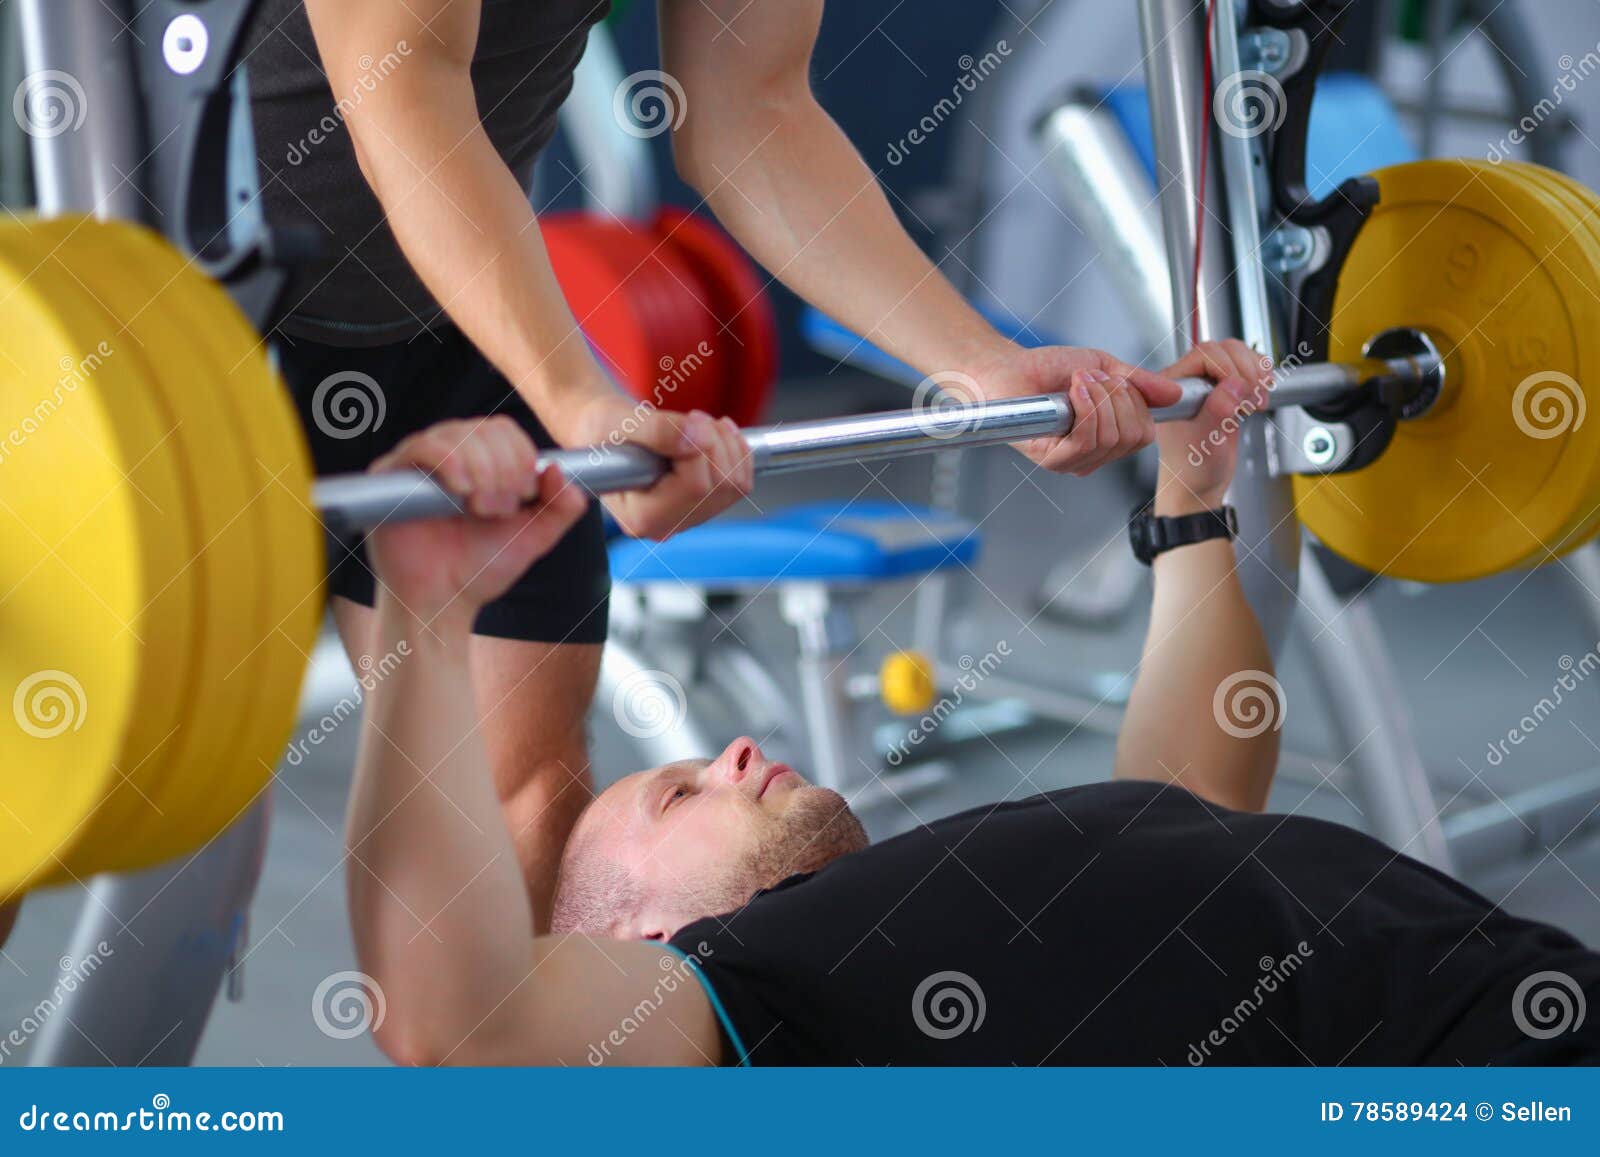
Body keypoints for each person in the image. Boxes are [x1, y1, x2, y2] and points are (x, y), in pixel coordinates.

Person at [341, 340, 1600, 1066]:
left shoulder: (931, 935)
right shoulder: (760, 1000)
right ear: (633, 955)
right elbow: (459, 1023)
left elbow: (1192, 792)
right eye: (674, 792)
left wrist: (1193, 486)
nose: (728, 747)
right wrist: (428, 613)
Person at [243, 0, 1181, 927]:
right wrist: (576, 398)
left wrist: (976, 363)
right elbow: (403, 94)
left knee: (519, 840)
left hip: (444, 325)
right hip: (190, 318)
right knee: (178, 840)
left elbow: (752, 112)